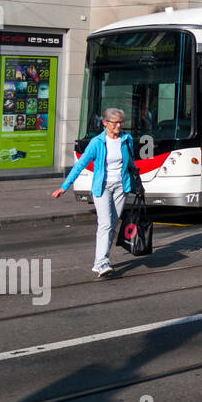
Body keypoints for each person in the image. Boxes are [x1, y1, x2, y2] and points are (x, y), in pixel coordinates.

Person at [51, 108, 139, 277]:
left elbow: (130, 164)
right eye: (115, 123)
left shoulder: (126, 140)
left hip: (121, 187)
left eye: (121, 122)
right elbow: (80, 165)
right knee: (105, 224)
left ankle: (101, 260)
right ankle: (101, 263)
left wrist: (136, 185)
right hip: (102, 187)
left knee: (112, 223)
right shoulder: (97, 142)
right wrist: (64, 186)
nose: (119, 126)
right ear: (105, 123)